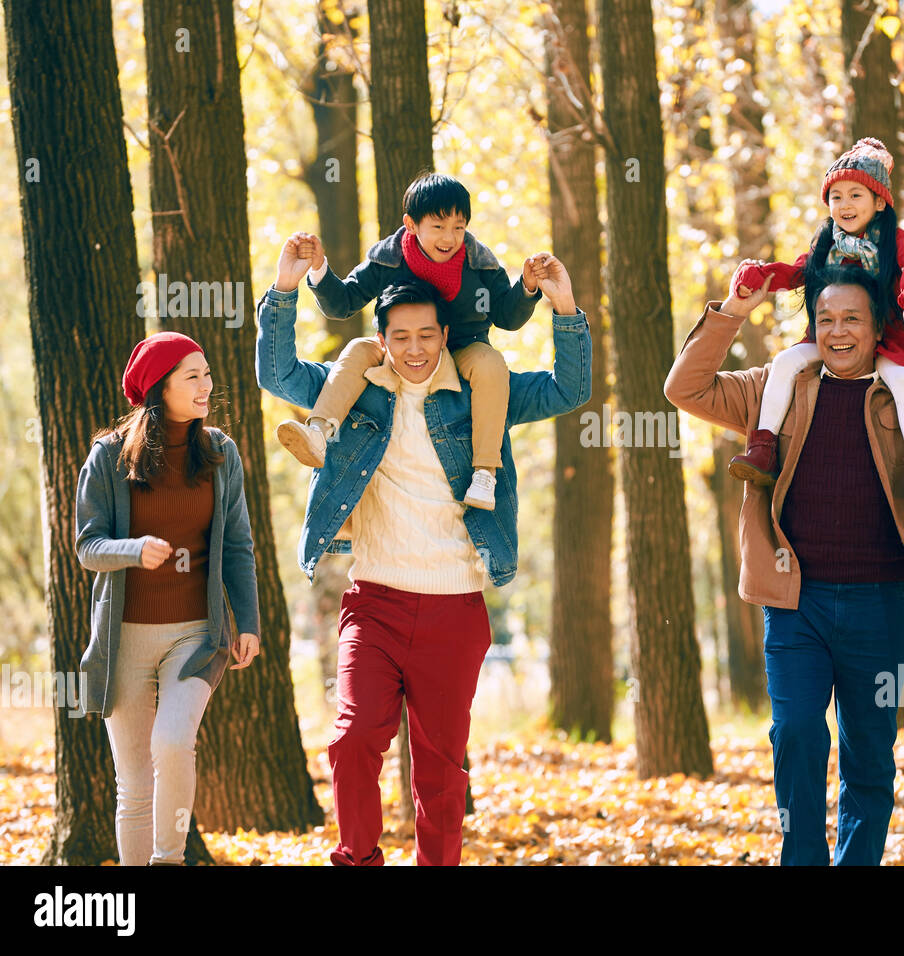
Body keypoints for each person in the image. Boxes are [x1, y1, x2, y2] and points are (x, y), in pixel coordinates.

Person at [664, 255, 904, 865]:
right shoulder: (776, 389)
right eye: (825, 319)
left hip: (878, 606)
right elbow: (685, 388)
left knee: (870, 757)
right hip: (794, 603)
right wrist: (733, 313)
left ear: (878, 324)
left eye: (852, 317)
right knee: (796, 733)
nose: (837, 331)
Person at [256, 232, 591, 866]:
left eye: (427, 336)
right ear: (381, 339)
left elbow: (569, 391)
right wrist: (283, 287)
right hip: (375, 602)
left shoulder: (481, 394)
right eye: (400, 337)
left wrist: (565, 309)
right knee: (353, 739)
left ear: (447, 336)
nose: (414, 349)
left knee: (440, 774)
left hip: (455, 611)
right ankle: (356, 858)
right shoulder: (356, 391)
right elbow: (276, 373)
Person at [75, 332, 260, 866]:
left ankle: (168, 860)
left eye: (206, 373)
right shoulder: (109, 457)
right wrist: (134, 550)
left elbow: (238, 545)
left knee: (174, 743)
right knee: (133, 784)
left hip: (196, 636)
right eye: (193, 376)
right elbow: (88, 547)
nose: (207, 385)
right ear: (160, 388)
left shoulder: (220, 452)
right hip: (124, 638)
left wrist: (245, 620)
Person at [277, 172, 551, 509]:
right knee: (357, 349)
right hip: (400, 351)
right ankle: (319, 433)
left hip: (464, 346)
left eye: (458, 227)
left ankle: (484, 472)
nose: (449, 237)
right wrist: (318, 268)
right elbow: (343, 304)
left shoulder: (480, 263)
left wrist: (526, 287)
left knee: (491, 363)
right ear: (411, 224)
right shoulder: (389, 258)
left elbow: (507, 318)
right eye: (438, 226)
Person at [727, 137, 904, 501]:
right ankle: (764, 445)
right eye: (836, 197)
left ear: (879, 202)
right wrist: (760, 277)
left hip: (886, 333)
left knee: (902, 379)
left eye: (856, 195)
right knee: (785, 362)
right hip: (836, 336)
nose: (845, 205)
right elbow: (797, 272)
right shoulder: (827, 242)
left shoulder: (891, 240)